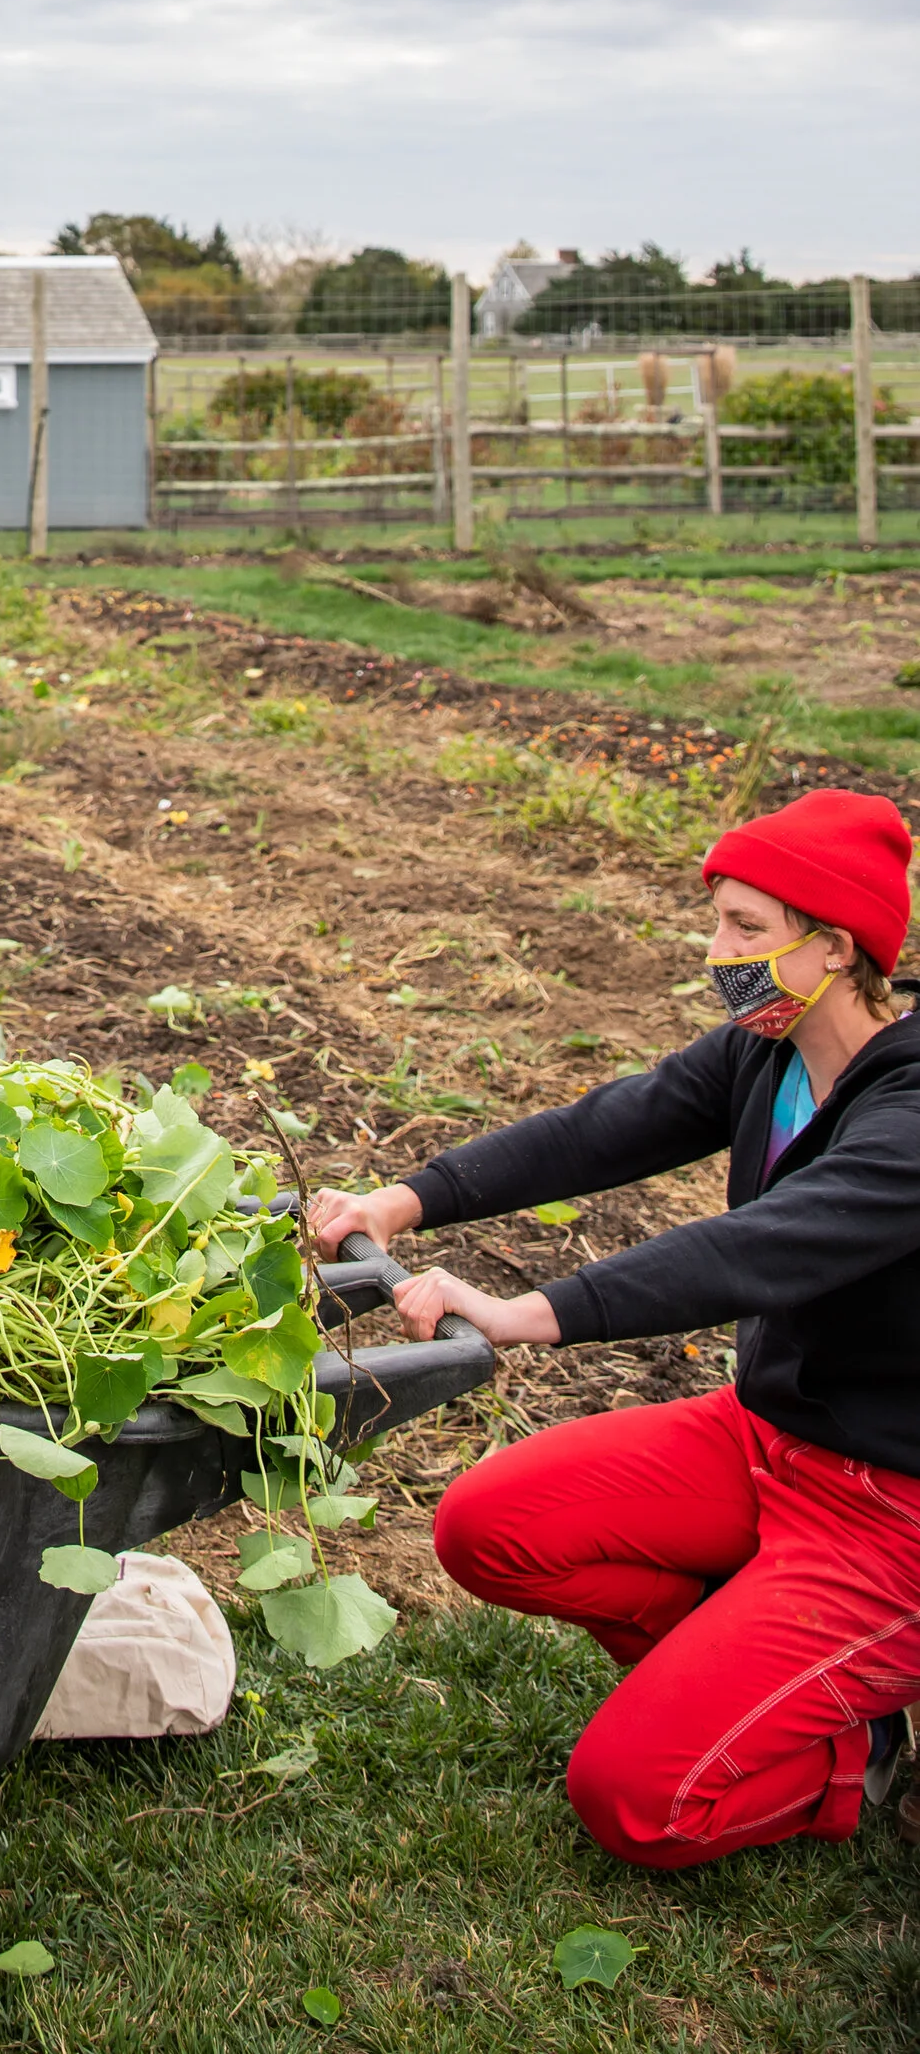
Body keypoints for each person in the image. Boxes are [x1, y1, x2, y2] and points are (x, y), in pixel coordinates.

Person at [311, 788, 920, 1869]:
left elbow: (757, 1246)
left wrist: (531, 1311)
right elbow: (607, 1124)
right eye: (714, 920)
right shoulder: (764, 1050)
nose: (714, 951)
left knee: (637, 1799)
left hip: (889, 1515)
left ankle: (850, 1748)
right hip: (763, 1435)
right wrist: (401, 1200)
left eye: (746, 929)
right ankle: (746, 1662)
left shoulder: (908, 1113)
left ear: (834, 945)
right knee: (486, 1524)